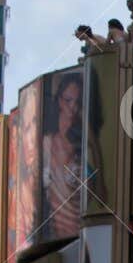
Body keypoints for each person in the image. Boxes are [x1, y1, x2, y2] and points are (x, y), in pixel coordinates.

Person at [43, 73, 84, 242]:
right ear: (60, 101)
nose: (72, 107)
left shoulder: (84, 145)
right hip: (55, 235)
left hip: (81, 234)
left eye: (77, 102)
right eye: (68, 100)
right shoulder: (46, 144)